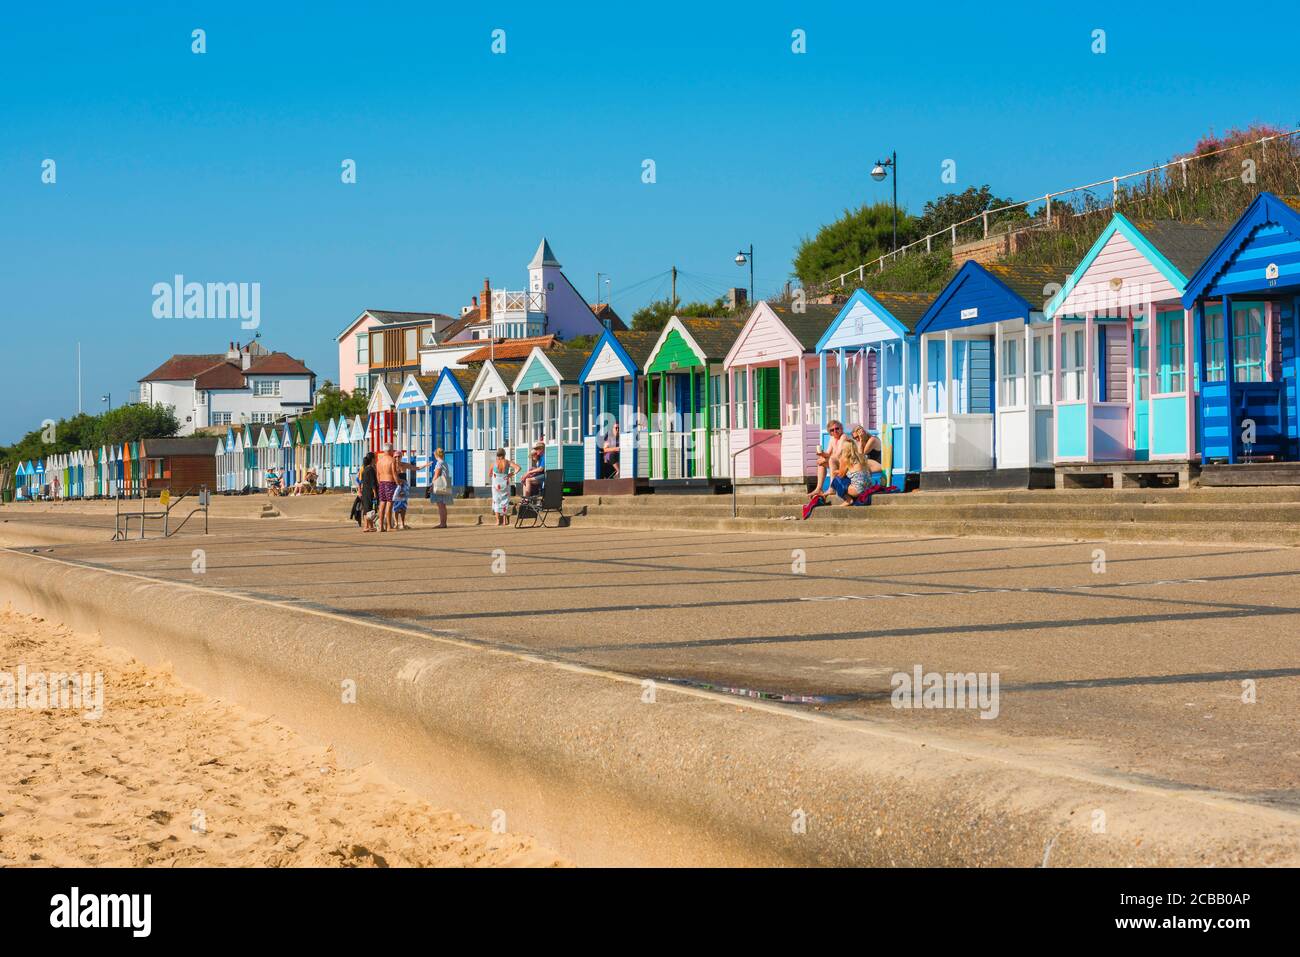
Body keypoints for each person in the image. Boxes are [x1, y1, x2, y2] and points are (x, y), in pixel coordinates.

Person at [803, 420, 846, 520]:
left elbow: (839, 454)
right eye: (832, 430)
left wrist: (826, 457)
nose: (835, 431)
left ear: (841, 429)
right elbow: (829, 453)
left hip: (845, 464)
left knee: (830, 459)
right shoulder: (832, 439)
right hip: (836, 462)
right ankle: (819, 488)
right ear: (829, 432)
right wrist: (822, 454)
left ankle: (832, 488)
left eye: (837, 428)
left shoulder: (843, 437)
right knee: (821, 462)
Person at [490, 447, 520, 526]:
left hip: (496, 484)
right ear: (504, 454)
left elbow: (490, 474)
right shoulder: (507, 462)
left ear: (497, 455)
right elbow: (518, 468)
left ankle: (497, 521)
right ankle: (504, 521)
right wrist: (511, 474)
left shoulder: (494, 463)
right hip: (505, 482)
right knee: (504, 500)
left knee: (496, 500)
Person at [851, 424, 886, 488]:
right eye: (855, 438)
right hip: (870, 466)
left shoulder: (873, 439)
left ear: (863, 433)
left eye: (858, 436)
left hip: (879, 466)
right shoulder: (860, 442)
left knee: (861, 462)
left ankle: (861, 485)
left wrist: (861, 440)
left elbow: (861, 455)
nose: (857, 439)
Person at [375, 442, 398, 532]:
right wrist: (398, 482)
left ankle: (381, 526)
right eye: (392, 449)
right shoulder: (391, 460)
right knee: (389, 503)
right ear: (389, 450)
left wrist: (379, 483)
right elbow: (394, 473)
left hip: (381, 483)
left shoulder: (379, 461)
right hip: (390, 483)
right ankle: (389, 526)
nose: (393, 451)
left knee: (382, 503)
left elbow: (378, 474)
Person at [428, 447, 452, 529]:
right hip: (445, 484)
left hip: (439, 484)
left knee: (440, 505)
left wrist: (432, 485)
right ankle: (443, 522)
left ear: (436, 454)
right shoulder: (444, 462)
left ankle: (442, 523)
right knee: (443, 505)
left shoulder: (439, 463)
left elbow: (436, 475)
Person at [358, 452, 377, 532]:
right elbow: (373, 482)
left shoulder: (365, 469)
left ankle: (367, 526)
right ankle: (369, 526)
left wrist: (360, 491)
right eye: (375, 458)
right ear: (372, 459)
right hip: (369, 491)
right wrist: (375, 492)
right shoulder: (371, 469)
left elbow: (362, 481)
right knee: (370, 509)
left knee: (366, 509)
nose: (376, 459)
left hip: (364, 491)